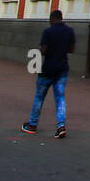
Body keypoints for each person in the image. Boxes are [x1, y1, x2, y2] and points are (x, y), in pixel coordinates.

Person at [23, 9, 75, 139]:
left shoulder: (48, 32)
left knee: (39, 97)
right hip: (62, 69)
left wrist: (41, 50)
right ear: (61, 18)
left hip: (47, 70)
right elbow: (72, 49)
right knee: (60, 98)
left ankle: (32, 125)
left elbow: (44, 51)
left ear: (52, 19)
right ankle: (61, 126)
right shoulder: (70, 31)